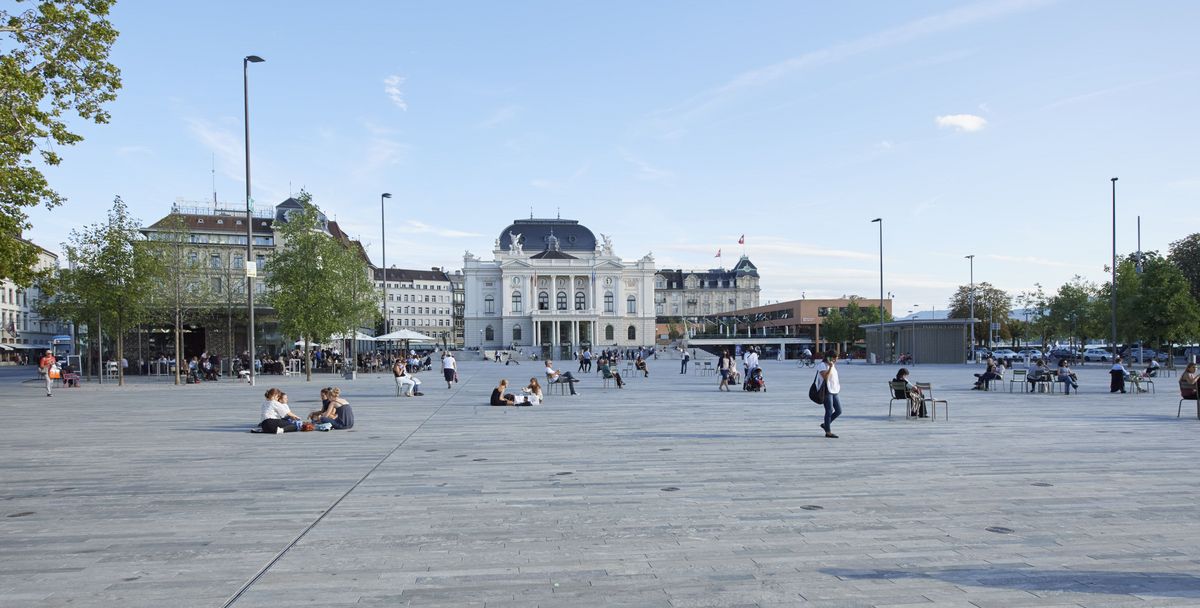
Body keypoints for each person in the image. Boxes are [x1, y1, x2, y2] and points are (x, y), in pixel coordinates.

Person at [816, 351, 842, 438]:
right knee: (829, 410)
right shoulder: (822, 365)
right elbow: (826, 377)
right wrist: (830, 367)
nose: (835, 360)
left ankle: (826, 424)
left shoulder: (832, 365)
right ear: (828, 357)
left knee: (838, 411)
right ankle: (828, 432)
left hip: (834, 390)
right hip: (826, 391)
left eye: (836, 358)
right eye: (834, 358)